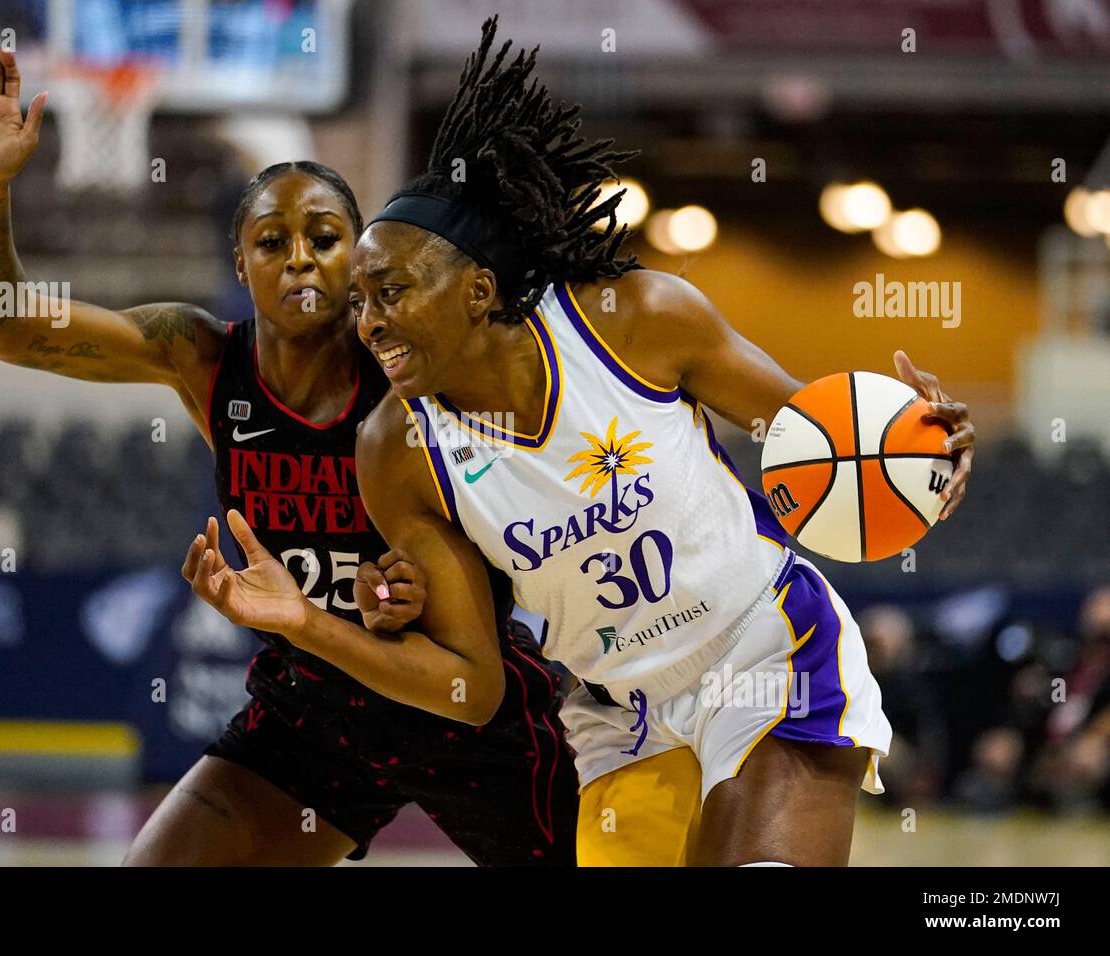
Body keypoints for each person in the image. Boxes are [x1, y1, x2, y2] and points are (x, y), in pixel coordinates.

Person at [339, 17, 977, 866]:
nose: (370, 322)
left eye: (390, 292)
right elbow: (473, 682)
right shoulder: (395, 450)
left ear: (480, 290)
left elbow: (817, 440)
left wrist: (920, 450)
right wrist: (376, 619)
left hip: (764, 645)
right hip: (617, 714)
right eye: (359, 301)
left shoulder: (634, 320)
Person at [0, 35, 577, 865]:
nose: (299, 259)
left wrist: (425, 584)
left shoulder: (412, 372)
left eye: (323, 237)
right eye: (272, 242)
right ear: (239, 263)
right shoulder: (203, 355)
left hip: (462, 704)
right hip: (315, 709)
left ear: (359, 261)